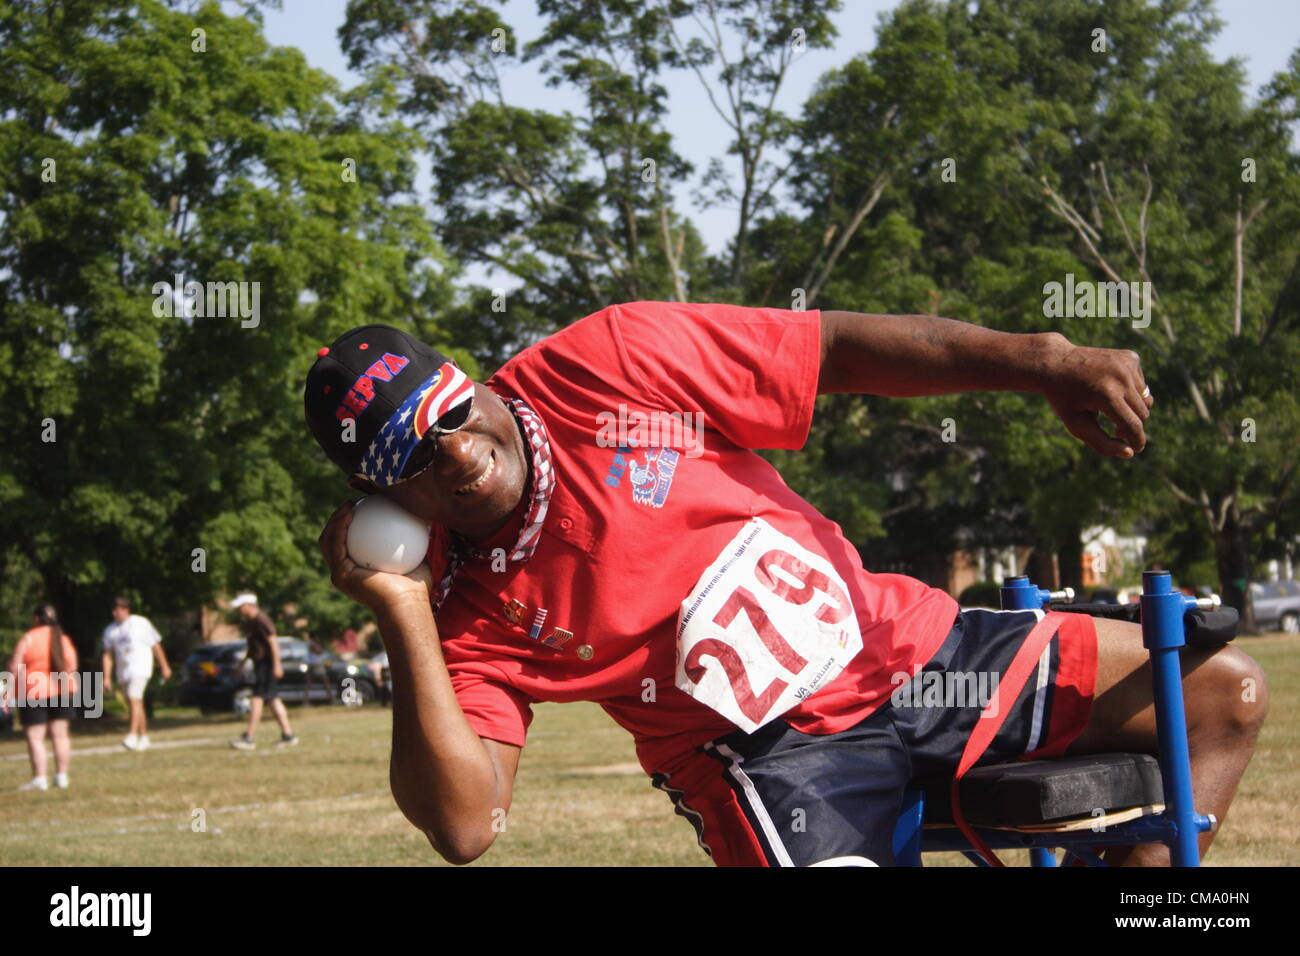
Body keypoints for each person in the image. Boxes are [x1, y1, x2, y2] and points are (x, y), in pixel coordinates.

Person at [305, 303, 1268, 866]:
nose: (459, 455)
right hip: (770, 758)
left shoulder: (608, 362)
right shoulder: (467, 613)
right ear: (379, 497)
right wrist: (400, 606)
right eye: (413, 458)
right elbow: (468, 825)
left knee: (1222, 695)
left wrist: (1045, 361)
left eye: (451, 413)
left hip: (913, 654)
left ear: (465, 377)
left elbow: (834, 349)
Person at [7, 605, 79, 791]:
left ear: (36, 619)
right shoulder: (62, 638)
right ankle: (62, 776)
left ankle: (40, 778)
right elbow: (72, 665)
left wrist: (7, 693)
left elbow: (14, 667)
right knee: (60, 735)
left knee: (35, 737)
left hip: (34, 691)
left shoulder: (28, 638)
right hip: (62, 689)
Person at [229, 593, 298, 749]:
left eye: (240, 607)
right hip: (261, 665)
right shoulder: (251, 622)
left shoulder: (261, 620)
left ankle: (249, 737)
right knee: (273, 700)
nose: (239, 610)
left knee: (256, 698)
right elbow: (253, 647)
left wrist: (277, 665)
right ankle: (288, 735)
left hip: (266, 665)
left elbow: (273, 641)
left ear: (248, 606)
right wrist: (242, 664)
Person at [101, 597, 171, 751]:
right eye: (113, 610)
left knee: (134, 698)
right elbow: (108, 655)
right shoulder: (110, 630)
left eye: (117, 610)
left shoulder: (141, 623)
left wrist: (164, 666)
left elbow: (155, 645)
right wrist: (106, 677)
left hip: (141, 666)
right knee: (135, 703)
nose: (114, 614)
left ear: (126, 610)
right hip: (123, 670)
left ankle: (132, 735)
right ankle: (144, 737)